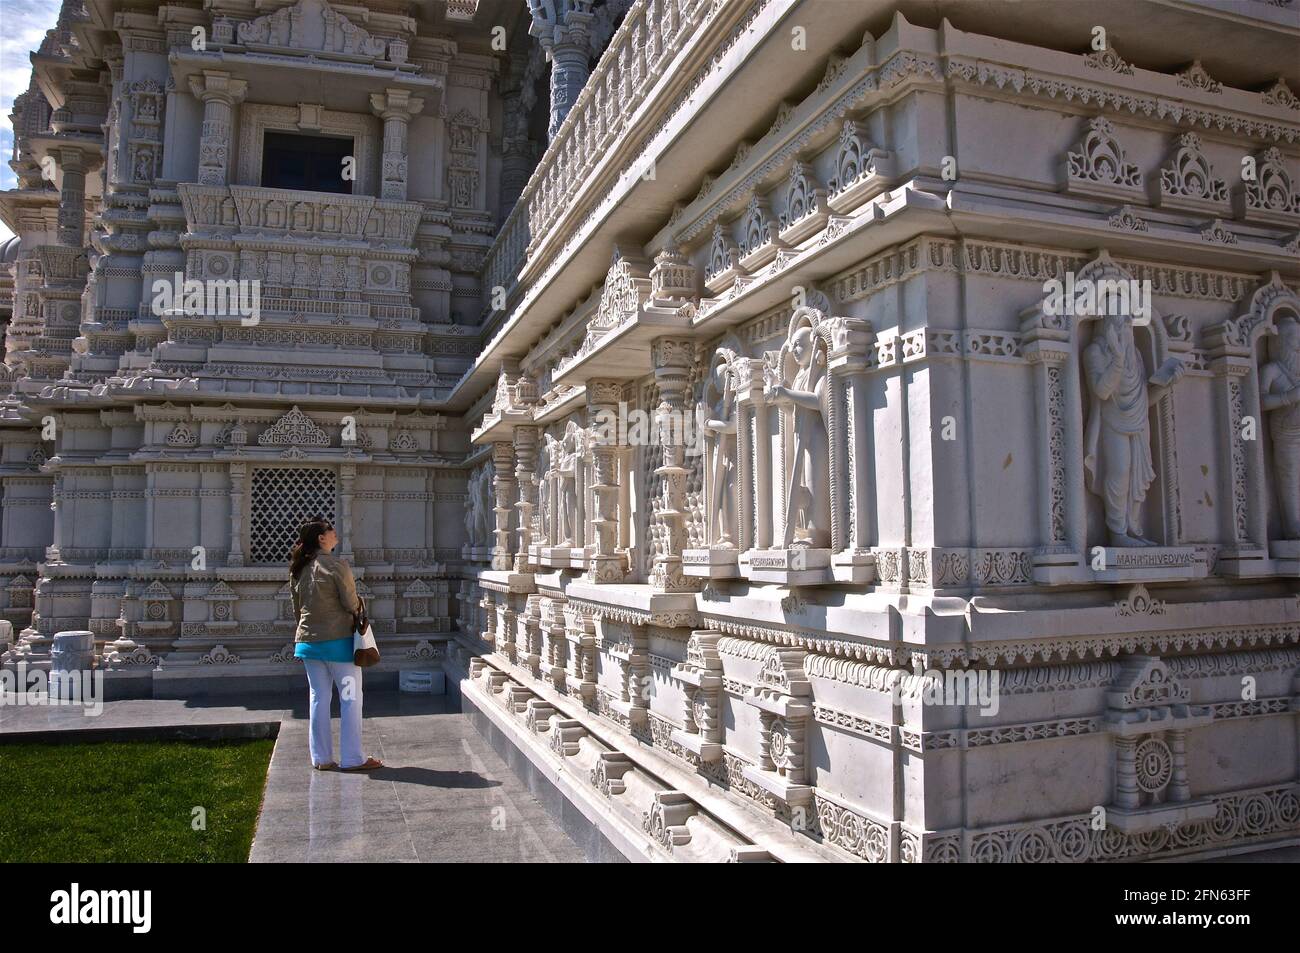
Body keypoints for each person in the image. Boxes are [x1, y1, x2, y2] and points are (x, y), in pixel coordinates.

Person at [289, 518, 382, 772]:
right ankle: (353, 758)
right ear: (321, 538)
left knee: (318, 697)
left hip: (308, 643)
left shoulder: (299, 568)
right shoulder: (337, 565)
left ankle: (321, 758)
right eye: (330, 530)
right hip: (338, 643)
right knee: (351, 698)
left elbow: (297, 610)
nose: (335, 533)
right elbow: (351, 604)